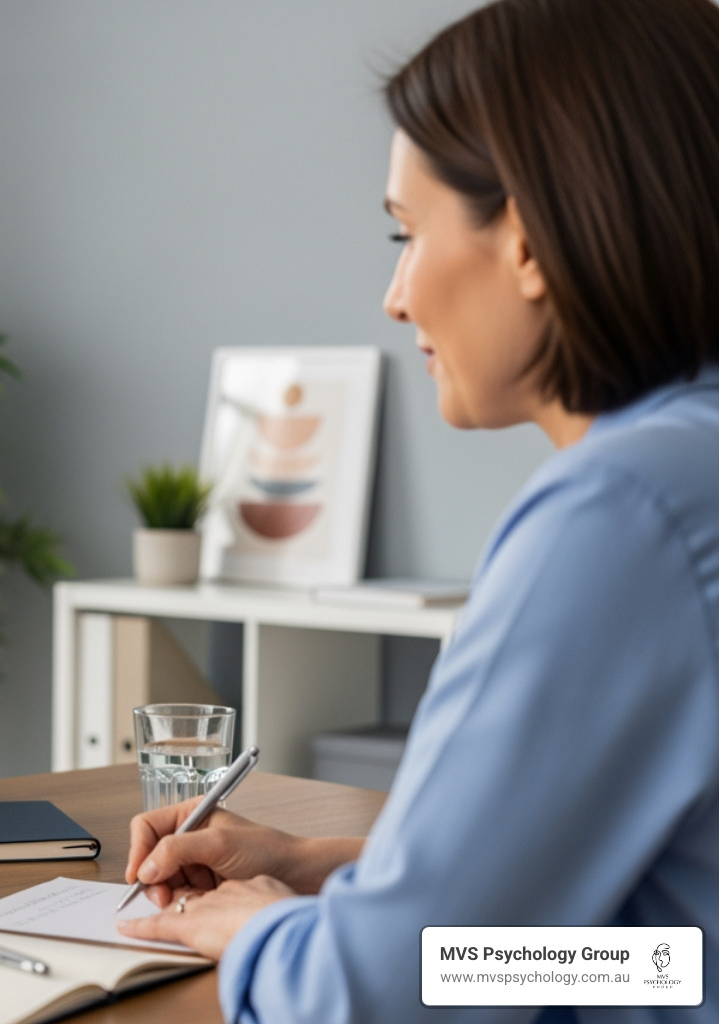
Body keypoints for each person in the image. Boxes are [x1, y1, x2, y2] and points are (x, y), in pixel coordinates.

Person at [116, 0, 719, 1019]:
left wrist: (274, 934)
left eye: (407, 233)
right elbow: (671, 955)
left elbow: (379, 995)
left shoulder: (620, 514)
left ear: (525, 237)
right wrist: (331, 866)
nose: (396, 296)